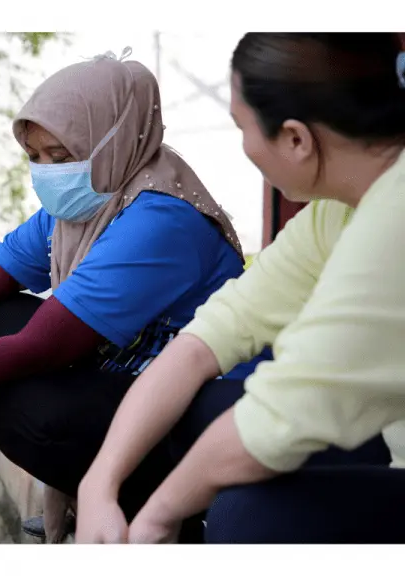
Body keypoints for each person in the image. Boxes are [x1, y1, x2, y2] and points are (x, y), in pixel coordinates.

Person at [0, 49, 266, 542]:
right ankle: (100, 494)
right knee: (0, 314)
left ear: (114, 140)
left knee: (25, 416)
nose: (47, 172)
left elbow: (42, 346)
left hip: (207, 409)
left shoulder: (161, 221)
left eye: (61, 157)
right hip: (139, 376)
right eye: (35, 158)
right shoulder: (88, 201)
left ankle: (155, 517)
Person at [76, 32, 405, 544]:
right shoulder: (340, 210)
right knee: (196, 418)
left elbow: (284, 410)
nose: (245, 146)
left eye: (241, 127)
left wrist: (157, 517)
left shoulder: (394, 219)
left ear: (296, 138)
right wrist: (99, 482)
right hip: (387, 436)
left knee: (247, 517)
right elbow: (203, 342)